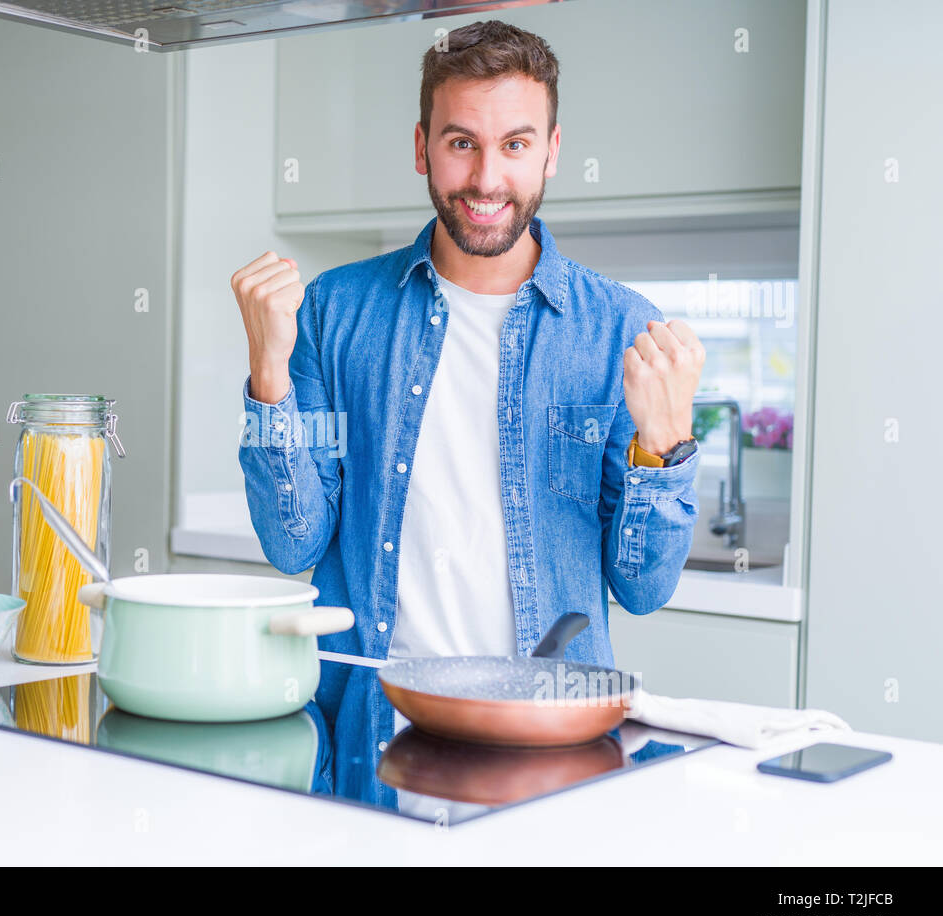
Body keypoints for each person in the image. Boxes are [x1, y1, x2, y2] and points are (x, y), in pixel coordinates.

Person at [232, 19, 704, 763]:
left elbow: (643, 588)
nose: (487, 179)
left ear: (551, 151)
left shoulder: (622, 332)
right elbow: (294, 540)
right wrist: (269, 375)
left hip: (546, 751)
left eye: (515, 145)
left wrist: (666, 445)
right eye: (462, 143)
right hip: (369, 738)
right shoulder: (333, 312)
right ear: (422, 146)